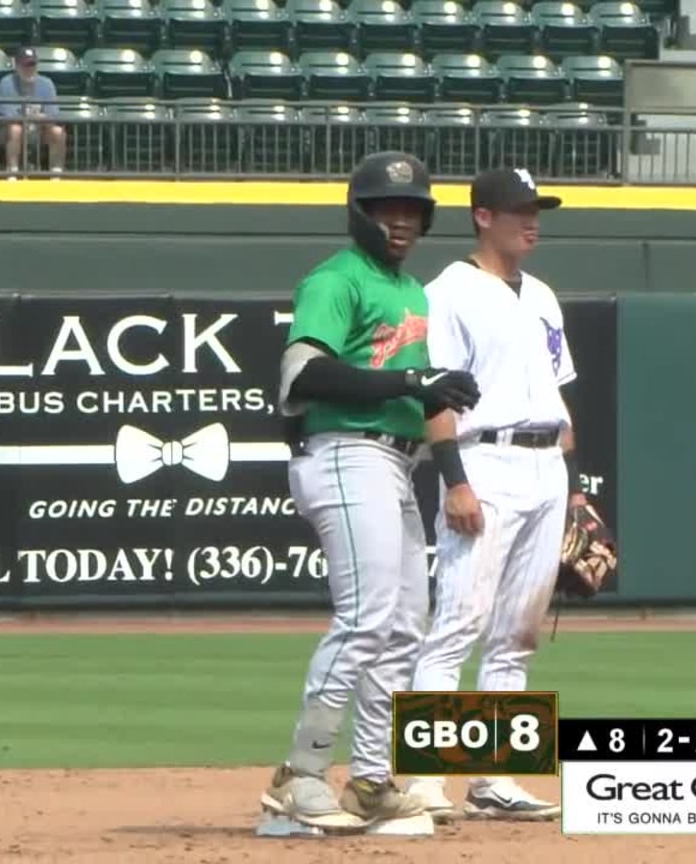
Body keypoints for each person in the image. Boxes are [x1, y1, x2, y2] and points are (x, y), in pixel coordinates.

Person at [258, 151, 482, 835]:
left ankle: (372, 781)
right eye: (387, 209)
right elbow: (303, 378)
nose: (401, 221)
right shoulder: (336, 279)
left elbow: (416, 395)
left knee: (405, 625)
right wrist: (406, 385)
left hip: (396, 461)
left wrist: (446, 453)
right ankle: (299, 776)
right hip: (344, 451)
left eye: (412, 210)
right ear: (360, 213)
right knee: (366, 617)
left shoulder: (412, 293)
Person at [403, 167, 584, 822]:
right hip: (485, 462)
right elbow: (432, 393)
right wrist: (454, 479)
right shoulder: (446, 293)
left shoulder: (542, 294)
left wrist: (577, 494)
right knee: (457, 621)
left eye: (537, 211)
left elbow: (555, 393)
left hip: (546, 466)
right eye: (518, 211)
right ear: (482, 216)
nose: (531, 221)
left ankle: (495, 777)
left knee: (517, 633)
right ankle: (423, 778)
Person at [0, 48, 66, 176]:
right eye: (25, 65)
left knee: (58, 132)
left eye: (32, 64)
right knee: (15, 129)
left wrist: (38, 117)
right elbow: (7, 117)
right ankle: (12, 172)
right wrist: (30, 116)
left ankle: (56, 173)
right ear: (16, 66)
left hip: (39, 129)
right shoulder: (6, 83)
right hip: (8, 132)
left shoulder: (47, 83)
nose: (29, 69)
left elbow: (53, 116)